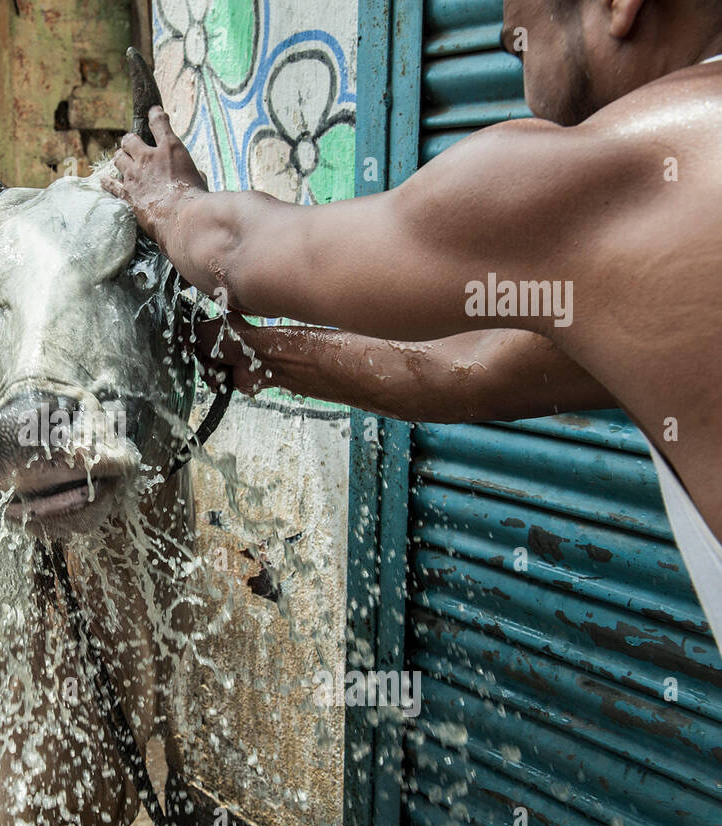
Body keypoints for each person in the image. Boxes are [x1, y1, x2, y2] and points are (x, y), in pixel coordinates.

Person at [108, 0, 722, 644]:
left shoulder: (622, 171)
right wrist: (251, 351)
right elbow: (464, 372)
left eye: (518, 31)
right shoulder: (650, 256)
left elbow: (237, 251)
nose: (512, 48)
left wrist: (169, 203)